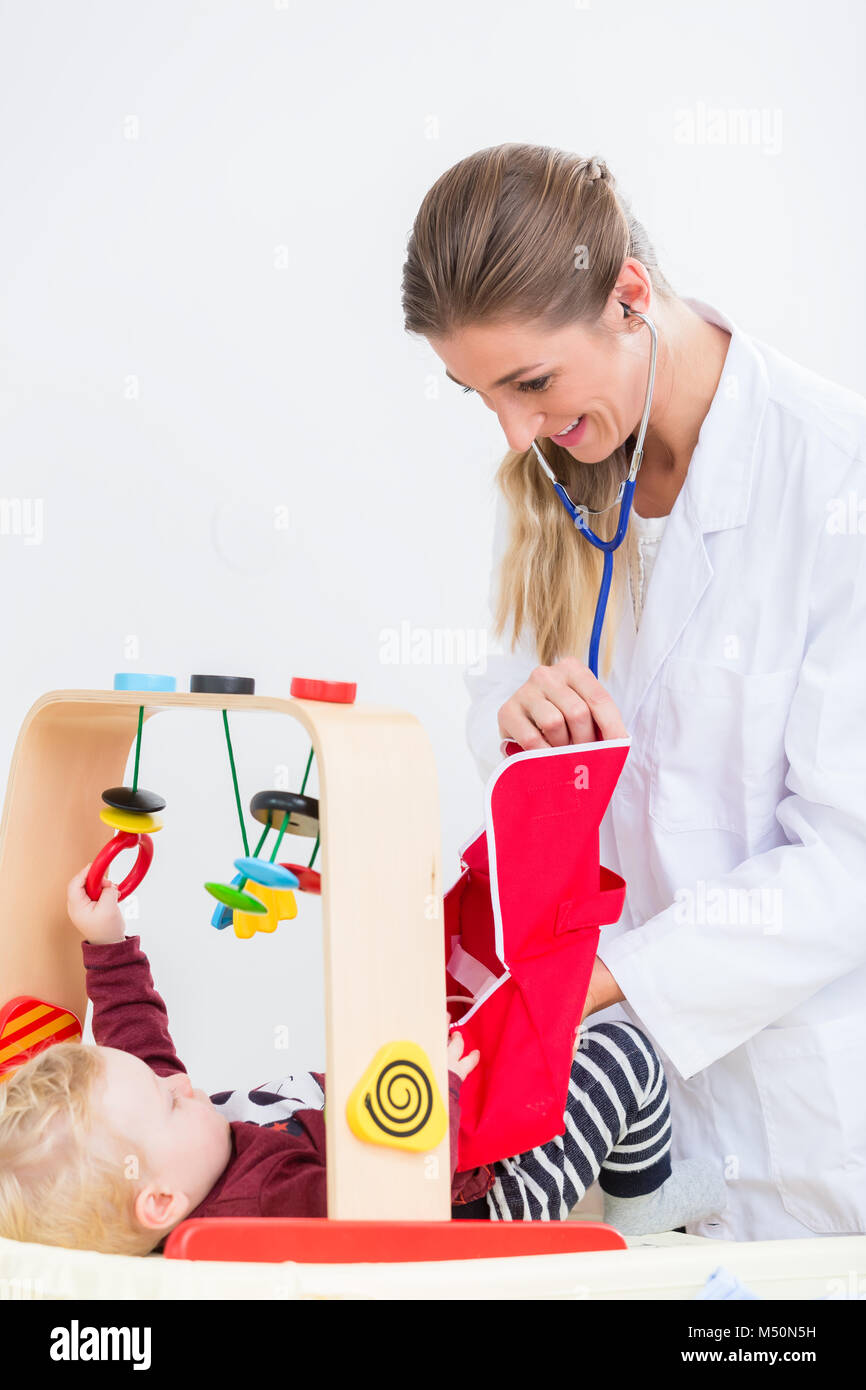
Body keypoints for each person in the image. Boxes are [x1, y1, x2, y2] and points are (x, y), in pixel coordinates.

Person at [402, 142, 866, 1241]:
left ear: (627, 297)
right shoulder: (556, 483)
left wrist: (602, 977)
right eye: (477, 395)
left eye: (529, 384)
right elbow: (501, 716)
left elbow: (846, 864)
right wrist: (518, 729)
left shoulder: (833, 475)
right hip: (625, 1136)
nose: (512, 434)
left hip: (800, 1130)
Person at [0, 866, 726, 1255]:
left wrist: (107, 942)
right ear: (159, 1202)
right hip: (482, 1209)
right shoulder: (262, 1213)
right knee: (620, 1050)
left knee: (523, 1030)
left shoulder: (175, 1154)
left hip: (440, 1135)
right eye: (167, 1099)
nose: (182, 1081)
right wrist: (435, 1089)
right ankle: (643, 1204)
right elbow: (388, 1212)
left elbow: (139, 1050)